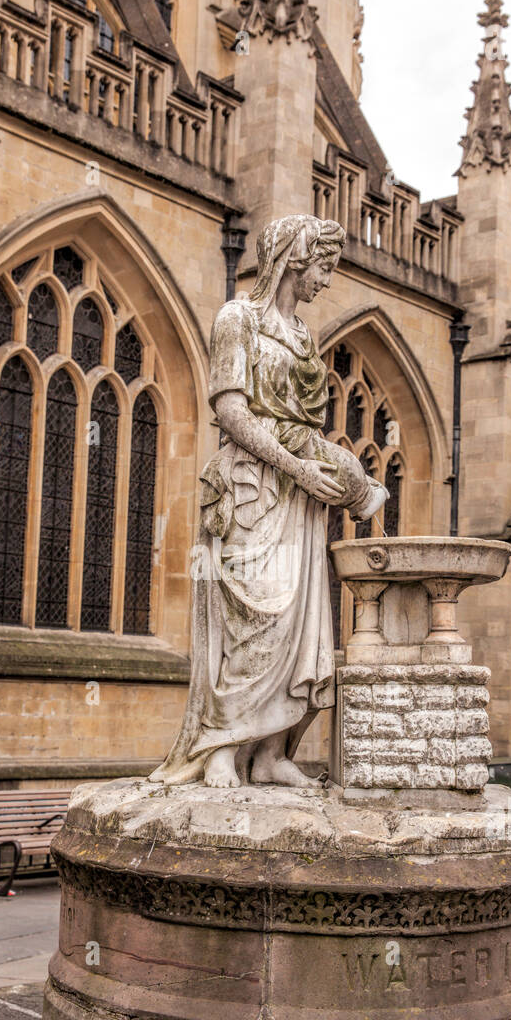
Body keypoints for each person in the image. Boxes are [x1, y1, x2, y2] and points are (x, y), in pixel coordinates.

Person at [151, 214, 387, 788]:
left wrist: (336, 471)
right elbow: (231, 411)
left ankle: (273, 753)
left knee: (302, 625)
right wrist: (298, 468)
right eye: (323, 267)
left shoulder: (304, 336)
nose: (326, 282)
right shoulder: (237, 319)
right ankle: (222, 748)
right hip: (252, 485)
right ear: (293, 259)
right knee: (252, 618)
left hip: (300, 497)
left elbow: (304, 423)